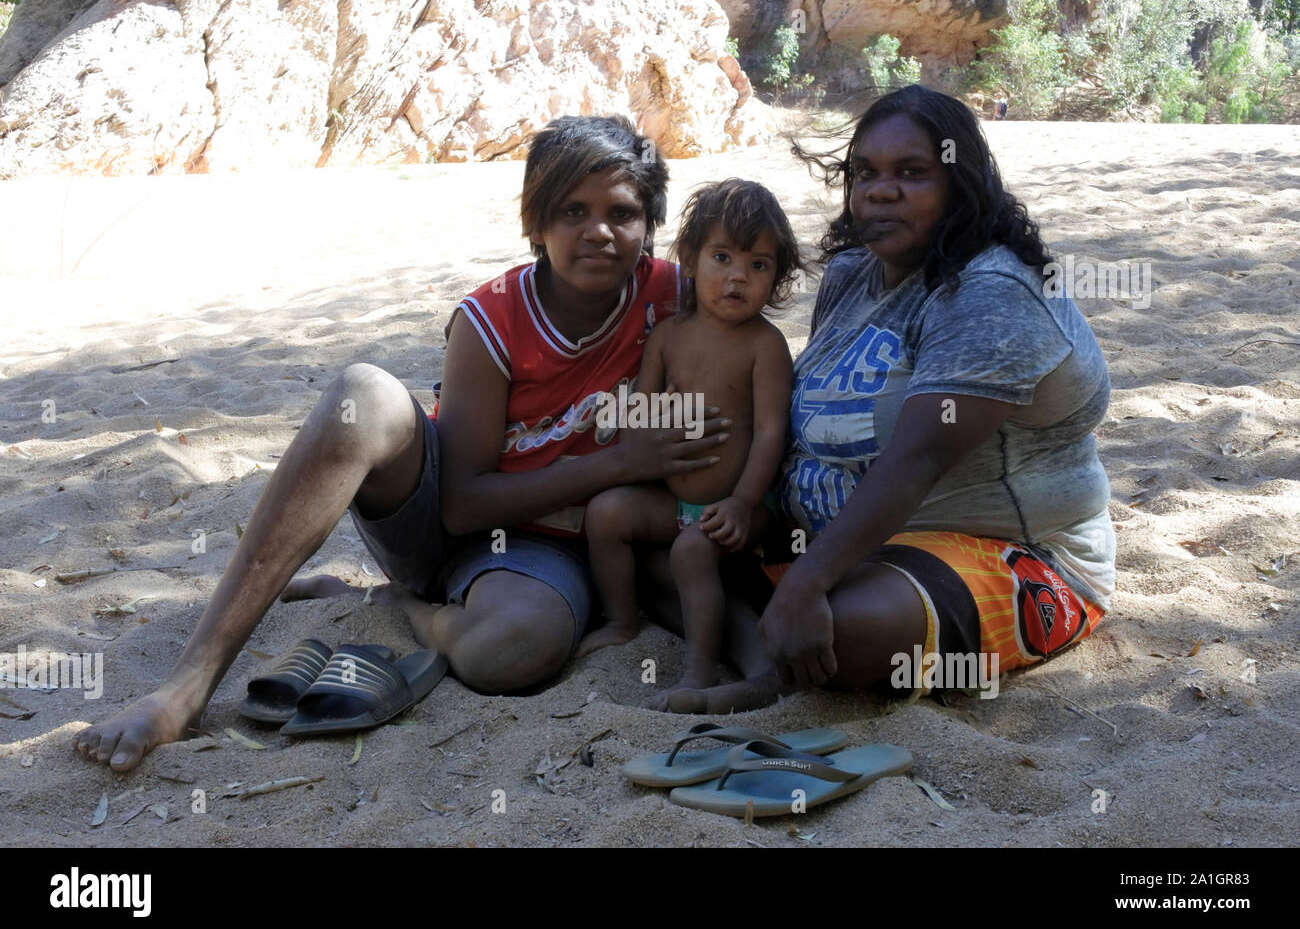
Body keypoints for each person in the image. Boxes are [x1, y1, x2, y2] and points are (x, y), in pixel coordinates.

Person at [73, 114, 733, 771]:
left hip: (551, 553)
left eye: (622, 212)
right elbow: (463, 504)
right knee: (364, 394)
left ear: (651, 226)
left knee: (515, 650)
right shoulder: (491, 319)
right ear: (535, 223)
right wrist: (619, 462)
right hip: (447, 524)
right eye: (571, 211)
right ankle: (185, 687)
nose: (598, 232)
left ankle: (399, 608)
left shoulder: (675, 299)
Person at [668, 85, 1115, 715]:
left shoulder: (990, 292)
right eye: (864, 173)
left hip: (998, 546)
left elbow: (917, 459)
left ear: (962, 184)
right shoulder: (854, 272)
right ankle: (766, 652)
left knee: (849, 631)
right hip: (830, 543)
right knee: (660, 545)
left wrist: (810, 581)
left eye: (912, 173)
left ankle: (773, 646)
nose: (880, 190)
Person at [573, 179, 800, 710]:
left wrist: (745, 503)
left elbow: (771, 432)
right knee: (605, 514)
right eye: (722, 257)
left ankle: (698, 674)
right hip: (673, 501)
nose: (738, 277)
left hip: (742, 507)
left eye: (759, 265)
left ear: (776, 279)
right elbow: (637, 420)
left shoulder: (766, 346)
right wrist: (652, 419)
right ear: (691, 261)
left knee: (693, 550)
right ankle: (622, 621)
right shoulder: (669, 336)